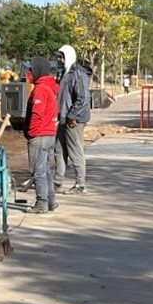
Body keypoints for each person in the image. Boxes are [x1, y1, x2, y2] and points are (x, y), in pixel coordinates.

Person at [53, 44, 91, 193]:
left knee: (75, 151)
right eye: (57, 57)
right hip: (63, 118)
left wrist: (72, 116)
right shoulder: (64, 73)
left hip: (73, 120)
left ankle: (80, 185)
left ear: (68, 57)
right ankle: (57, 182)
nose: (58, 60)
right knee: (59, 150)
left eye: (61, 57)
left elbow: (82, 98)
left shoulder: (77, 74)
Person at [24, 56, 59, 214]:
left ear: (37, 70)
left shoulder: (40, 90)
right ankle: (51, 201)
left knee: (37, 171)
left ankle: (41, 204)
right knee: (45, 169)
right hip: (49, 134)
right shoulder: (48, 87)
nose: (27, 73)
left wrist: (30, 133)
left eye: (30, 70)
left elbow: (37, 115)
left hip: (40, 136)